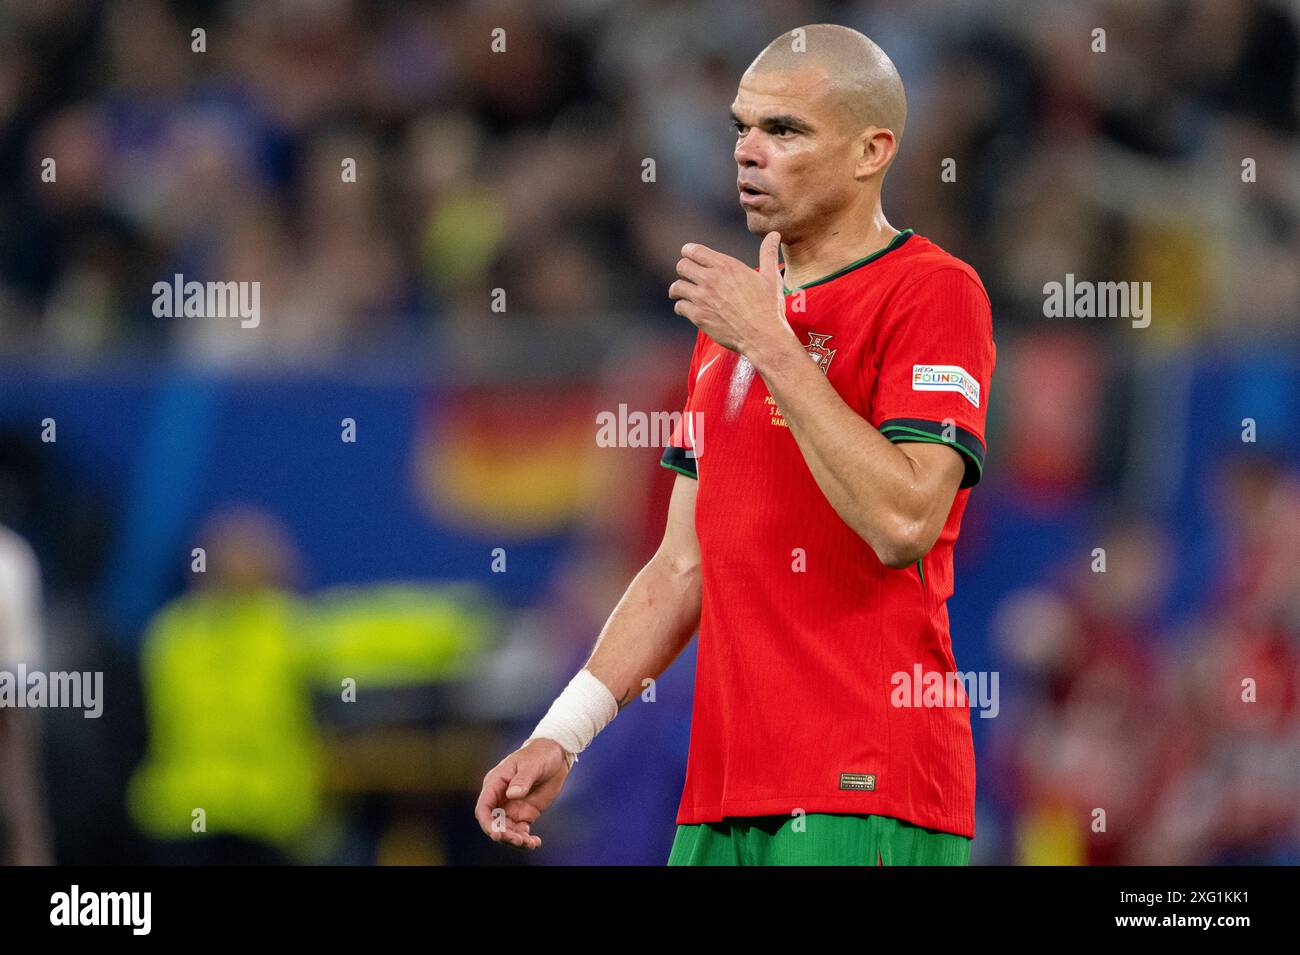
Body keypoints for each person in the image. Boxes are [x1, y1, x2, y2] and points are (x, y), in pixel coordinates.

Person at [475, 23, 995, 865]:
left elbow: (902, 522)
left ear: (872, 151)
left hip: (863, 783)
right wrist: (562, 734)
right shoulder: (729, 329)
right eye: (740, 128)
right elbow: (681, 565)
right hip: (721, 793)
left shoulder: (932, 292)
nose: (749, 152)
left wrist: (776, 344)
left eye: (784, 130)